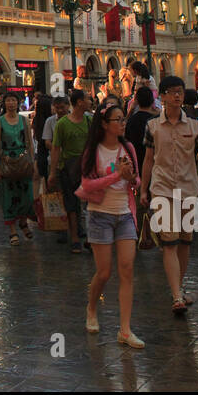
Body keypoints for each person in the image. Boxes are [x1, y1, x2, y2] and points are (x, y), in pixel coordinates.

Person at [139, 76, 198, 315]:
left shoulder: (195, 125)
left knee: (185, 241)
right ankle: (177, 295)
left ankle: (178, 286)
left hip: (188, 189)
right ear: (163, 96)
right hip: (163, 189)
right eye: (173, 92)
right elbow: (148, 159)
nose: (177, 96)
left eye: (180, 92)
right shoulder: (153, 126)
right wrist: (144, 188)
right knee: (169, 242)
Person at [80, 104, 143, 347]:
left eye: (123, 119)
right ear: (105, 124)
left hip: (125, 214)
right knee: (104, 272)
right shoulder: (93, 150)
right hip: (100, 215)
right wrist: (116, 176)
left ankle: (125, 329)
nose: (122, 123)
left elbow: (136, 181)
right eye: (118, 119)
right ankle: (92, 307)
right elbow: (87, 185)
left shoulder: (128, 147)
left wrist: (131, 179)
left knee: (127, 269)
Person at [50, 89, 91, 253]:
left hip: (88, 167)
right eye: (87, 99)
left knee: (91, 203)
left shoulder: (90, 121)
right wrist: (53, 172)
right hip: (69, 168)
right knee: (71, 204)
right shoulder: (62, 124)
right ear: (79, 102)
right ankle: (74, 237)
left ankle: (90, 237)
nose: (90, 101)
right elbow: (55, 149)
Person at [0, 91, 35, 244]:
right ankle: (12, 230)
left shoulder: (24, 121)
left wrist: (32, 162)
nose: (11, 103)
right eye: (8, 100)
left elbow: (30, 142)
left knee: (27, 196)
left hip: (23, 161)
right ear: (4, 103)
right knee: (9, 196)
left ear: (18, 103)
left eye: (13, 101)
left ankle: (23, 222)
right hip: (7, 162)